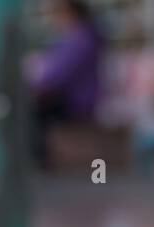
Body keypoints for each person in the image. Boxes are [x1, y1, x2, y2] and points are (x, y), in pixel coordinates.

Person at [32, 0, 104, 169]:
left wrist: (39, 84)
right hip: (69, 97)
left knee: (28, 111)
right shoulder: (76, 37)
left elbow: (57, 75)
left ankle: (39, 161)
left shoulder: (82, 39)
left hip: (76, 101)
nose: (54, 19)